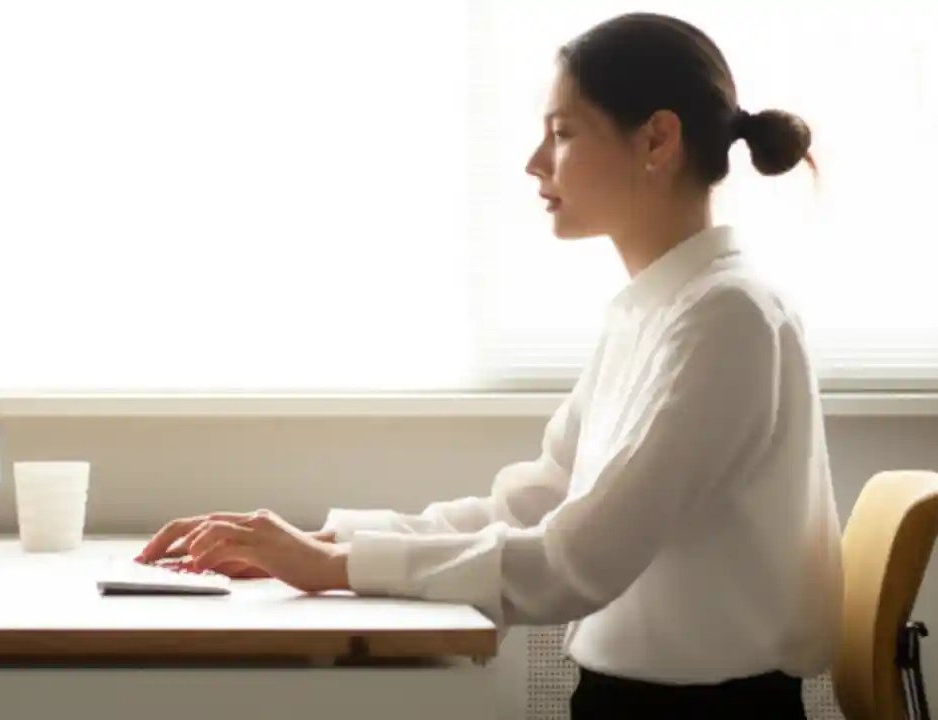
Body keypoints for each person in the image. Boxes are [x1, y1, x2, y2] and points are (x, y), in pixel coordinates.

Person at [138, 12, 842, 719]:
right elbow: (535, 500)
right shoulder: (650, 311)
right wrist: (330, 538)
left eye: (563, 133)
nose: (536, 162)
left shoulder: (730, 319)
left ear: (657, 138)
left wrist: (336, 568)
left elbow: (576, 562)